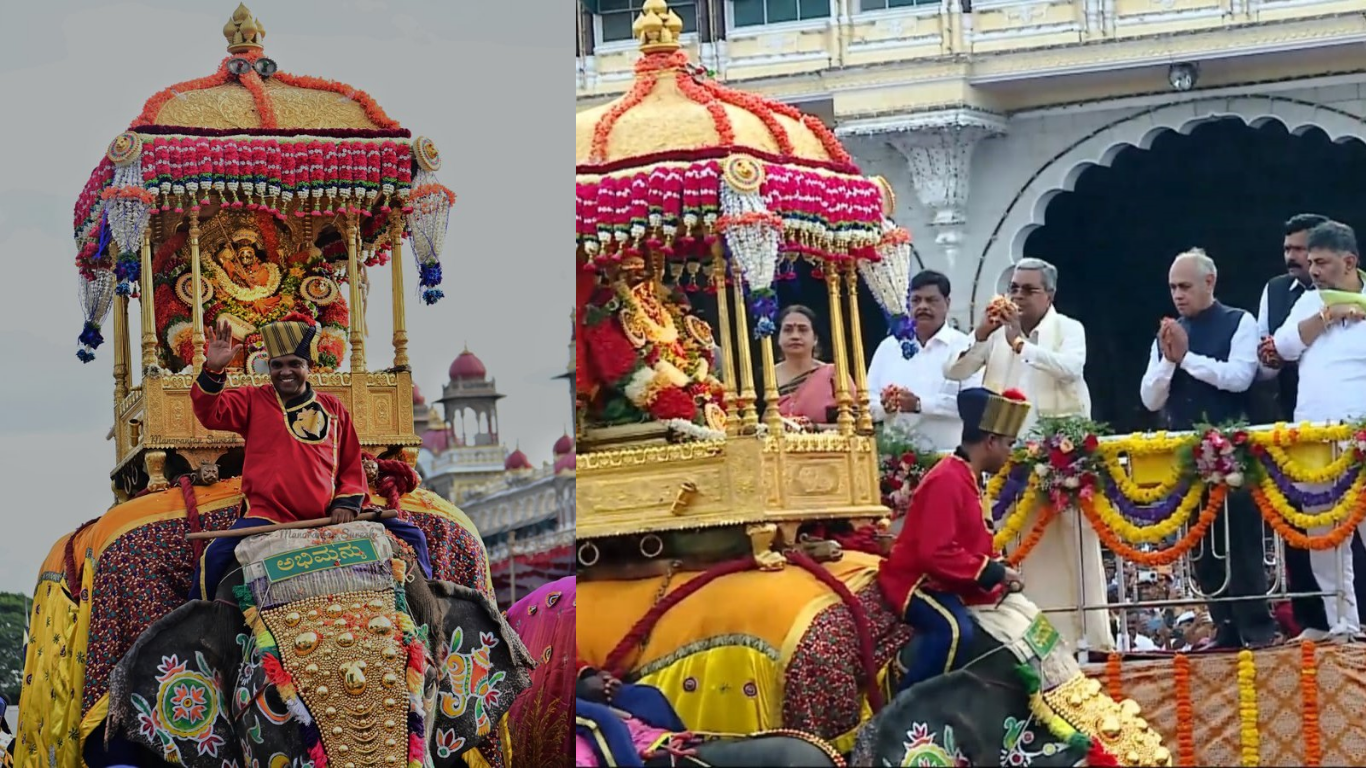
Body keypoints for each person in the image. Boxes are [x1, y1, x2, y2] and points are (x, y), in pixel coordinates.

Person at [187, 317, 433, 600]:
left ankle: (429, 604)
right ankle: (199, 627)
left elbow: (351, 462)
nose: (285, 372)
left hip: (331, 513)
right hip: (269, 516)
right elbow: (209, 412)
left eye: (294, 364)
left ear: (309, 367)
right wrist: (214, 367)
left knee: (414, 537)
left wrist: (346, 503)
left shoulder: (332, 407)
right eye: (277, 365)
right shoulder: (253, 400)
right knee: (214, 558)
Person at [943, 258, 1111, 653]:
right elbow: (953, 370)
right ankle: (1028, 638)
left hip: (1063, 461)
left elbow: (1071, 369)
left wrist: (1021, 344)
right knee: (1021, 550)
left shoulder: (1068, 329)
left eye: (1027, 290)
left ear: (1049, 295)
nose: (1017, 296)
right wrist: (982, 334)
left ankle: (1093, 641)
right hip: (1011, 462)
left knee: (1077, 548)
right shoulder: (996, 335)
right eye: (1014, 288)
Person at [1138, 249, 1277, 649]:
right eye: (1172, 288)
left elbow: (1238, 377)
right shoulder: (1169, 333)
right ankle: (1225, 627)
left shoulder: (1239, 321)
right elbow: (1149, 397)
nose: (1177, 295)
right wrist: (1169, 361)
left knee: (1242, 541)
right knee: (1203, 546)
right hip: (1187, 452)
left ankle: (1257, 627)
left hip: (1232, 451)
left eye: (1184, 286)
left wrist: (1187, 358)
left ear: (1209, 282)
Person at [877, 387, 1030, 691]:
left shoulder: (967, 476)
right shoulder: (947, 479)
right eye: (1009, 444)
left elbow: (969, 544)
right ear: (990, 441)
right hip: (917, 583)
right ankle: (907, 708)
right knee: (954, 631)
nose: (1011, 453)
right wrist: (994, 572)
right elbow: (936, 553)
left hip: (946, 581)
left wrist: (998, 572)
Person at [1254, 213, 1360, 640]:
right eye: (1310, 261)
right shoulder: (1309, 300)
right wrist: (1327, 316)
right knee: (1325, 533)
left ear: (1349, 262)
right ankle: (1342, 624)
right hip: (1313, 437)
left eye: (1323, 262)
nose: (1313, 270)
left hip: (1361, 436)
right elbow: (1280, 347)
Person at [866, 270, 982, 451]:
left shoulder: (964, 347)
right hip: (895, 460)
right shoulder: (888, 348)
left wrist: (920, 404)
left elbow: (974, 407)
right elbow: (867, 401)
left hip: (947, 458)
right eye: (916, 300)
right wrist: (886, 406)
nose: (922, 306)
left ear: (947, 303)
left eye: (931, 300)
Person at [775, 305, 852, 424]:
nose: (795, 336)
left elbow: (854, 423)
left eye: (803, 329)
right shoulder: (765, 378)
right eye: (788, 330)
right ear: (779, 338)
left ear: (815, 338)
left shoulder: (834, 374)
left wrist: (814, 428)